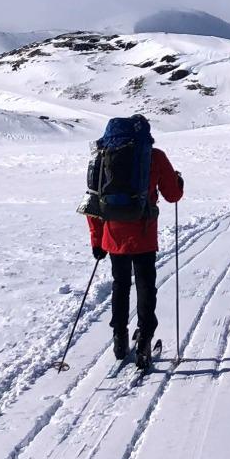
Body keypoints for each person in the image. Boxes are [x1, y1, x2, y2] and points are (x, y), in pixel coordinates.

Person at [83, 115, 184, 371]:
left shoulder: (103, 156)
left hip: (113, 235)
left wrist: (97, 240)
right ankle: (145, 341)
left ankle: (119, 338)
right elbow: (173, 195)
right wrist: (178, 182)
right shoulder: (154, 156)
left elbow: (93, 200)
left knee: (120, 285)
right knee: (145, 286)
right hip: (143, 234)